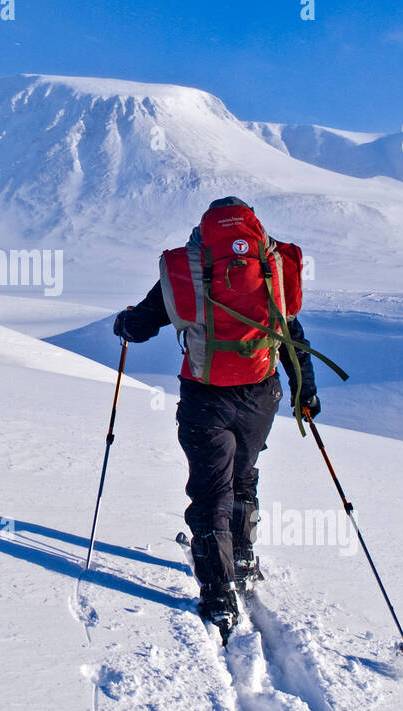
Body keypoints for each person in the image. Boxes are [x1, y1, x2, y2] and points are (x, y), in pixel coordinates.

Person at [112, 197, 323, 642]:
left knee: (210, 490)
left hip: (206, 396)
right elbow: (291, 335)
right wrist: (307, 392)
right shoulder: (271, 263)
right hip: (261, 394)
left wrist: (125, 325)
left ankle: (218, 594)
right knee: (243, 474)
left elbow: (143, 325)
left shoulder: (186, 266)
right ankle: (243, 559)